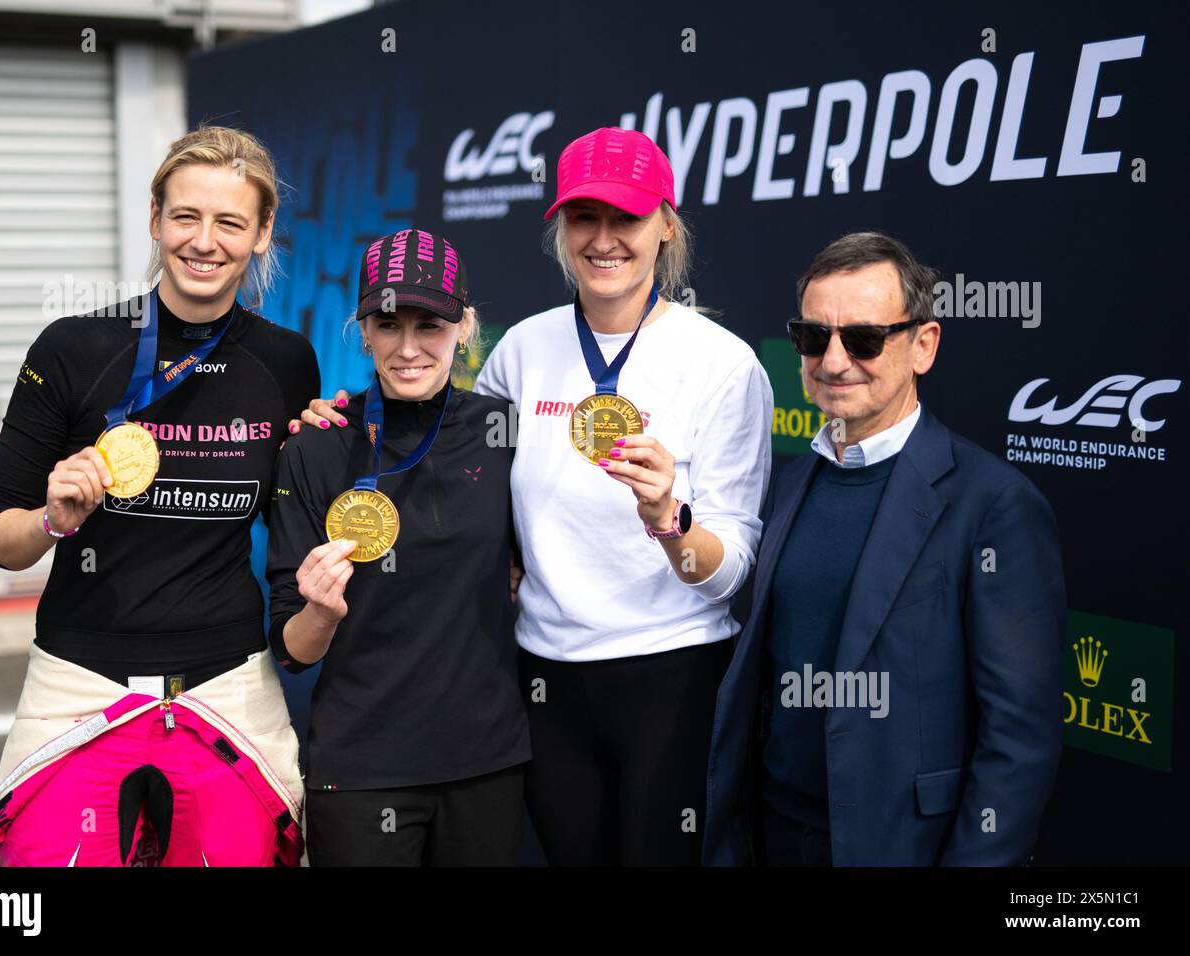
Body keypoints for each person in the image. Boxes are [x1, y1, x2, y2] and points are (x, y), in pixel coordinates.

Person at [303, 128, 773, 865]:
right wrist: (336, 421)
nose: (605, 239)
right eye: (585, 218)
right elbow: (446, 446)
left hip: (670, 675)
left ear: (666, 226)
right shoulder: (522, 350)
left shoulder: (723, 364)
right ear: (561, 228)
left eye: (627, 218)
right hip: (545, 678)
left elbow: (732, 567)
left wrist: (670, 523)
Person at [0, 126, 320, 867]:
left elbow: (295, 507)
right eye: (186, 216)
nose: (205, 240)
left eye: (231, 222)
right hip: (78, 679)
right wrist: (50, 519)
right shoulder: (74, 348)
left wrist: (329, 443)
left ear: (261, 235)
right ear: (155, 219)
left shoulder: (286, 362)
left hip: (227, 684)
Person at [704, 232, 1065, 867]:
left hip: (903, 846)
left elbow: (1020, 735)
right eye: (814, 337)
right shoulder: (788, 484)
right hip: (773, 832)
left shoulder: (993, 505)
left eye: (864, 339)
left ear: (923, 345)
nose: (835, 361)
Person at [265, 229, 531, 866]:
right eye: (388, 325)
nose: (408, 349)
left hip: (486, 762)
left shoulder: (505, 432)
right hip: (362, 768)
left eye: (430, 325)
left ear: (464, 326)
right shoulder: (315, 447)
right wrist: (321, 613)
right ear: (362, 331)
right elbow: (290, 649)